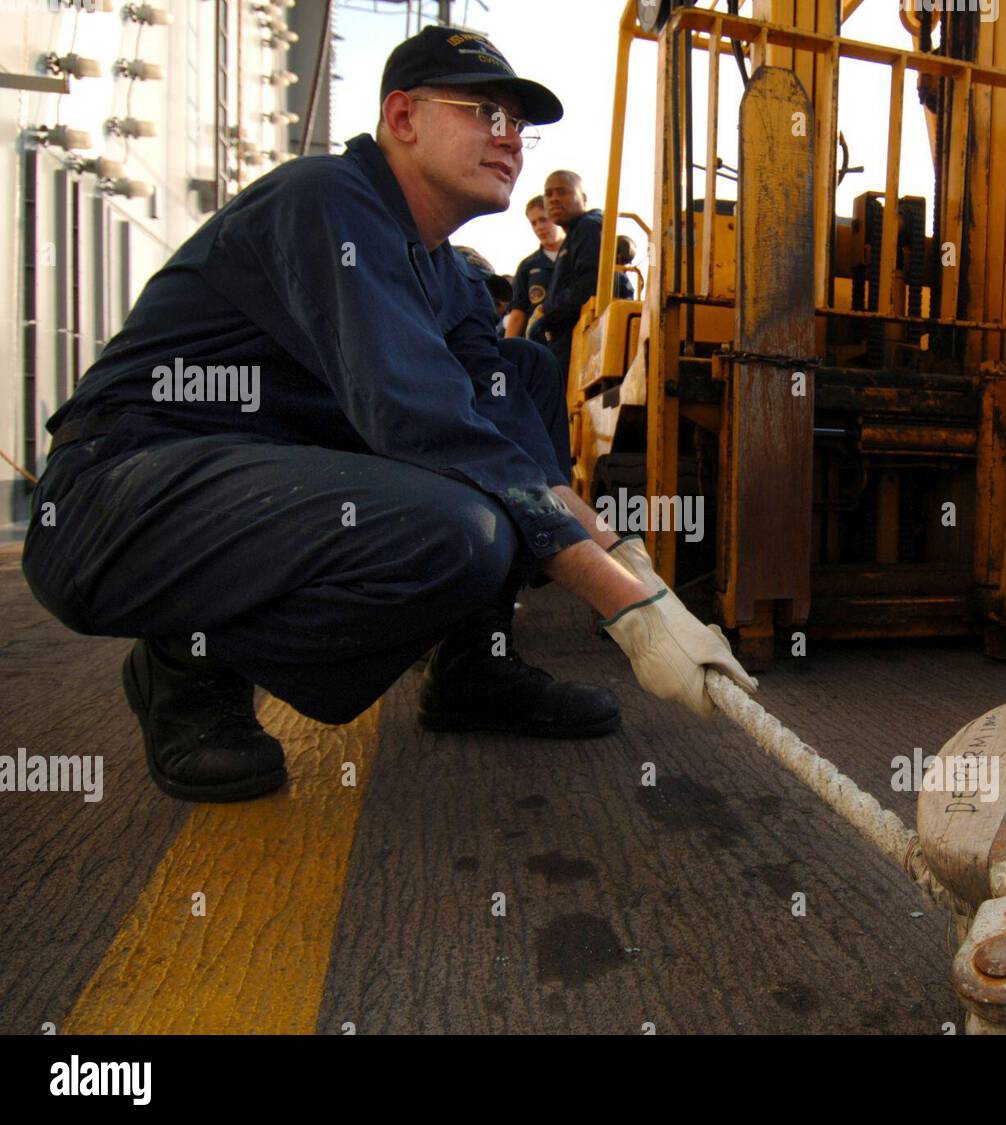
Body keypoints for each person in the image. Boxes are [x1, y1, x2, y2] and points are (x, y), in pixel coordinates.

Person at [22, 25, 756, 805]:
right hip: (123, 490)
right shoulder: (328, 201)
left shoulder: (451, 276)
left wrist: (632, 566)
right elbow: (425, 422)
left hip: (254, 494)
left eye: (521, 129)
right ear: (403, 118)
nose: (510, 143)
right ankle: (187, 661)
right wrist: (629, 611)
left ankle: (475, 665)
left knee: (527, 373)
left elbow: (503, 436)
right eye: (485, 114)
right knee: (455, 533)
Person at [532, 170, 633, 377]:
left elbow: (590, 285)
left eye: (562, 192)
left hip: (579, 348)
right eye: (548, 194)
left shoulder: (588, 227)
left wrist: (546, 313)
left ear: (583, 198)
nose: (554, 199)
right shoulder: (576, 233)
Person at [504, 195, 563, 340]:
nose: (539, 227)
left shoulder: (581, 256)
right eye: (534, 223)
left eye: (543, 219)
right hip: (540, 346)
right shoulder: (527, 266)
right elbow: (518, 314)